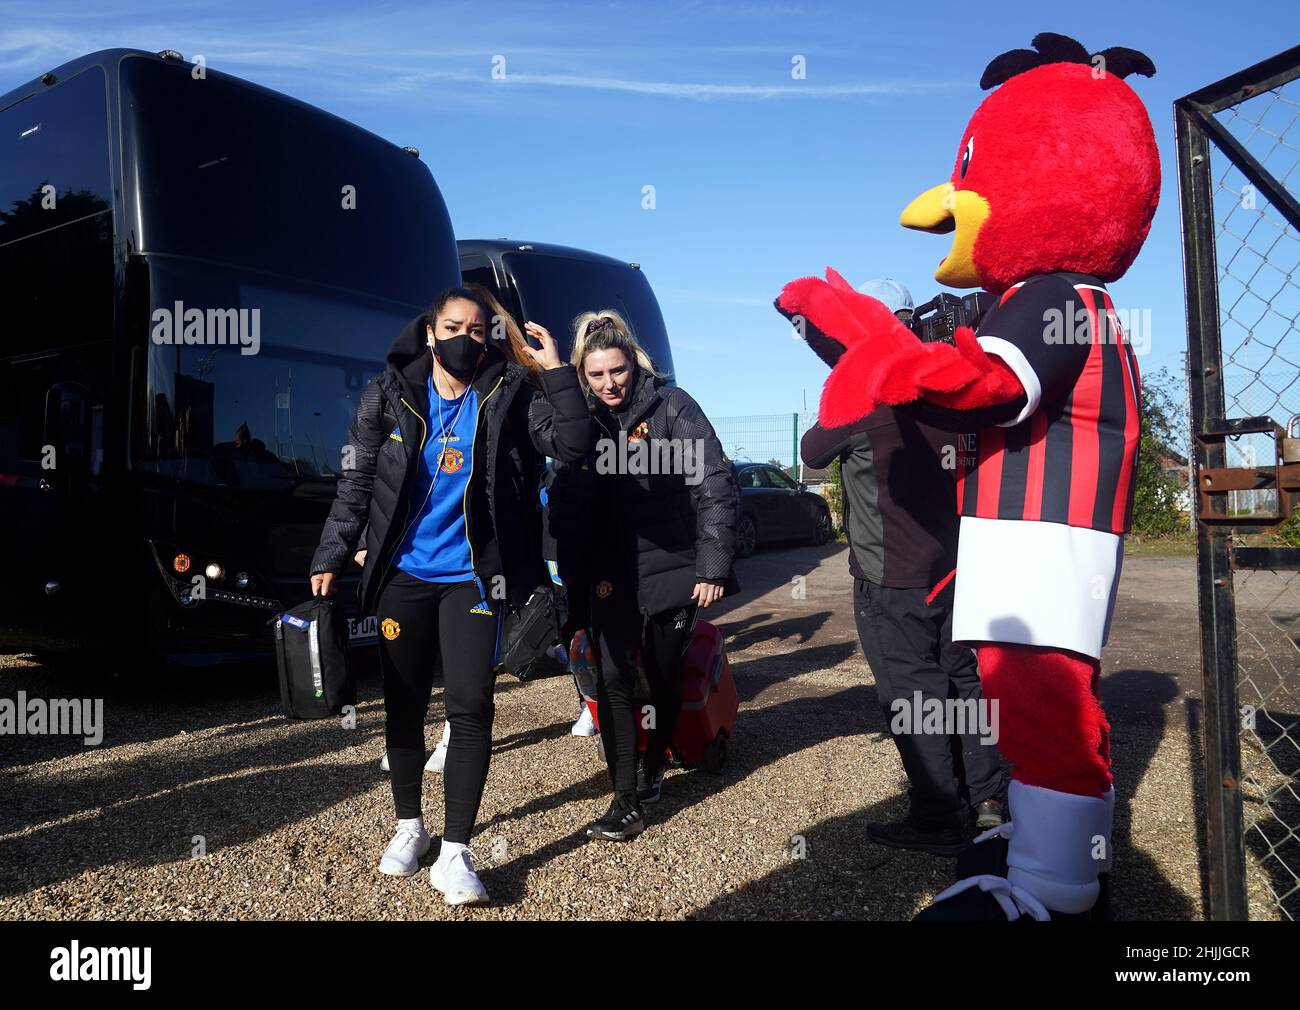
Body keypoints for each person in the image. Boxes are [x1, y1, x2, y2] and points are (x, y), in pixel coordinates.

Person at [309, 285, 590, 905]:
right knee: (405, 704)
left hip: (473, 577)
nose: (469, 337)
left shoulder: (510, 391)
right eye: (456, 326)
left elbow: (573, 447)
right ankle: (410, 827)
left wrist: (558, 373)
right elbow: (355, 480)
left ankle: (456, 852)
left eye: (481, 329)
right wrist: (332, 551)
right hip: (403, 576)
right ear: (431, 333)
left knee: (471, 705)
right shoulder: (390, 392)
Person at [799, 277, 1006, 857]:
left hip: (891, 575)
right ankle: (989, 798)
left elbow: (811, 452)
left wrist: (848, 375)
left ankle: (939, 815)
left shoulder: (864, 399)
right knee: (967, 683)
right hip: (957, 565)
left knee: (912, 694)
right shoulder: (944, 387)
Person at [538, 310, 739, 840]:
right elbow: (548, 451)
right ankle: (625, 796)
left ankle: (655, 763)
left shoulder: (673, 407)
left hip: (671, 568)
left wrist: (713, 564)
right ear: (582, 374)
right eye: (596, 374)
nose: (609, 384)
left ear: (635, 363)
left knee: (663, 673)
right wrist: (554, 373)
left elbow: (713, 484)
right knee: (613, 680)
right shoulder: (576, 415)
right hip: (608, 572)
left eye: (618, 372)